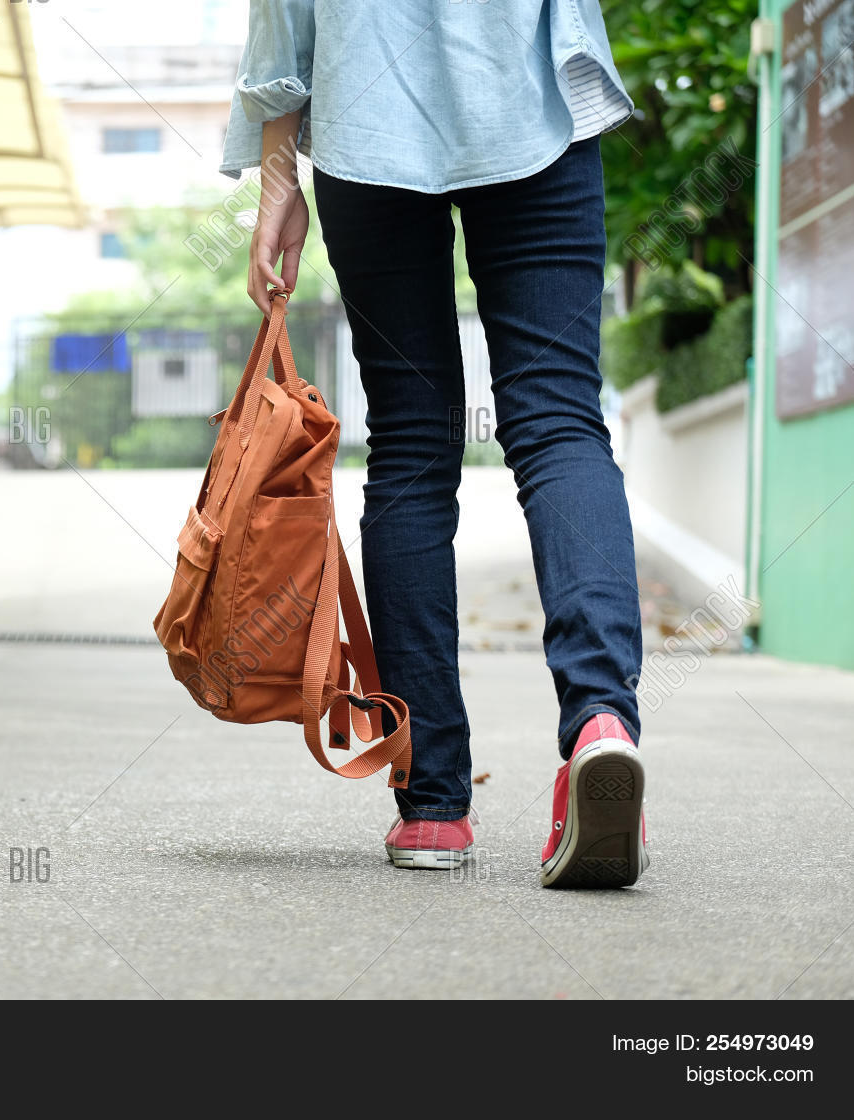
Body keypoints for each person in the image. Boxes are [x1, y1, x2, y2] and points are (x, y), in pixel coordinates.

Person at [223, 0, 648, 887]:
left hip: (368, 137)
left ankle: (433, 804)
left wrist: (276, 184)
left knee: (412, 449)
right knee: (560, 421)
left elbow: (280, 23)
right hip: (533, 113)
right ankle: (601, 722)